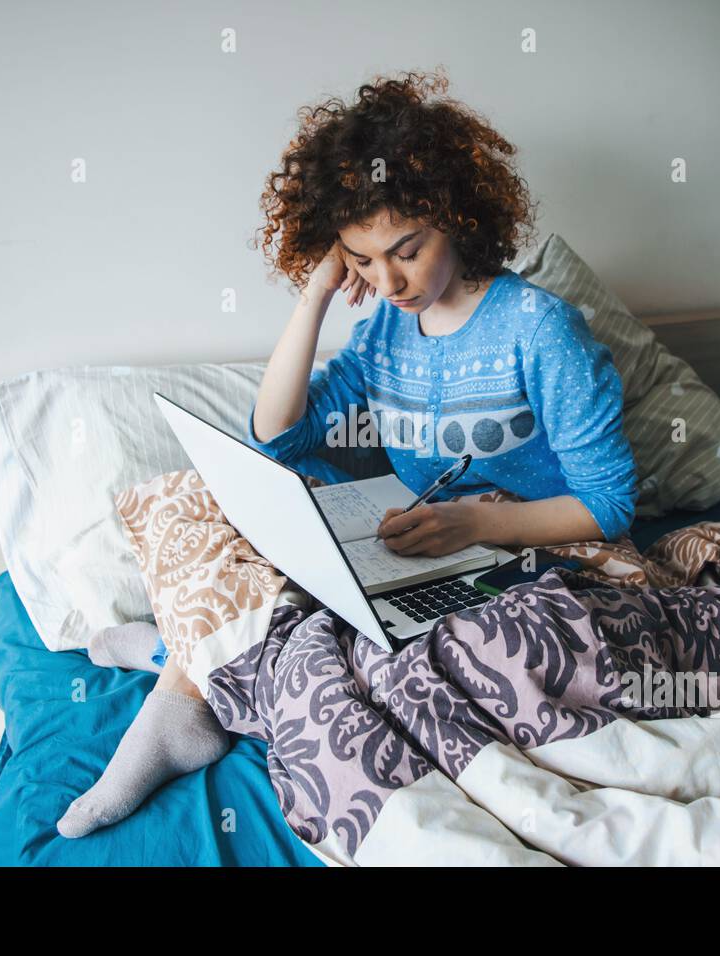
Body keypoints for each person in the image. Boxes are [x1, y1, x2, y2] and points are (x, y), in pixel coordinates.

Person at [57, 68, 637, 839]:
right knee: (201, 498)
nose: (388, 280)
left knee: (362, 648)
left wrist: (474, 525)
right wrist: (317, 294)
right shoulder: (386, 329)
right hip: (428, 539)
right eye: (363, 260)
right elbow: (279, 435)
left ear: (457, 216)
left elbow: (610, 504)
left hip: (536, 553)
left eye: (407, 250)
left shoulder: (541, 330)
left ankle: (179, 669)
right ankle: (184, 676)